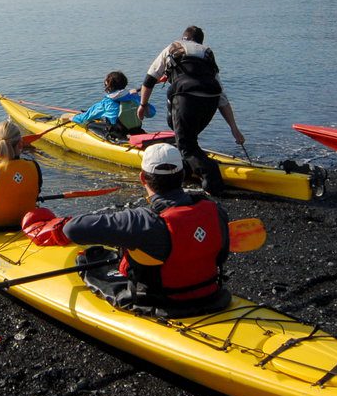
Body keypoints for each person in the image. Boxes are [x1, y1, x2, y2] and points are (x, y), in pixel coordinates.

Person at [20, 143, 231, 316]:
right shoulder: (214, 210)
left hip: (163, 303)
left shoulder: (142, 221)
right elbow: (220, 254)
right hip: (211, 295)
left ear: (142, 178)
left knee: (86, 260)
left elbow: (73, 230)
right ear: (183, 175)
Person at [137, 26, 245, 195]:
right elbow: (221, 96)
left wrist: (143, 105)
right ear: (200, 41)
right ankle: (185, 168)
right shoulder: (207, 53)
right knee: (188, 139)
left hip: (186, 99)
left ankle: (211, 178)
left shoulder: (173, 48)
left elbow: (149, 79)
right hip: (210, 101)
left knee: (186, 144)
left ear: (184, 37)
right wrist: (234, 128)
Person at [70, 71, 155, 139]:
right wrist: (135, 96)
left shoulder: (106, 102)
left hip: (118, 135)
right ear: (125, 84)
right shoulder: (137, 98)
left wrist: (73, 118)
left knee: (89, 124)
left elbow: (86, 117)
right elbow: (151, 113)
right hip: (136, 131)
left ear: (109, 87)